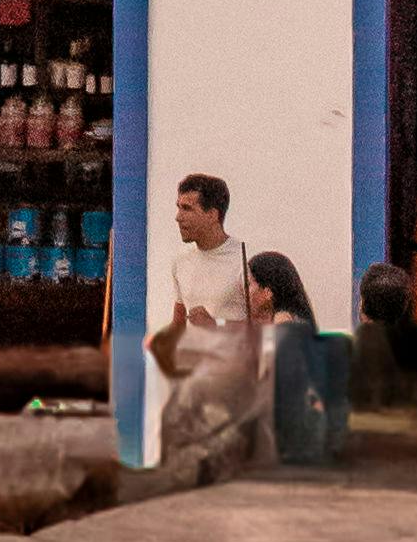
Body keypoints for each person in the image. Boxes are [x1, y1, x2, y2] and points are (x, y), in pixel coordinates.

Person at [146, 171, 270, 488]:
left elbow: (263, 328)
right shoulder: (180, 264)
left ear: (213, 214)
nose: (177, 217)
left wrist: (218, 328)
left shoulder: (245, 260)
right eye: (177, 207)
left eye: (187, 209)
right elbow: (178, 322)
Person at [244, 245, 352, 471]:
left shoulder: (285, 326)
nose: (244, 290)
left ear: (267, 292)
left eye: (250, 283)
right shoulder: (287, 325)